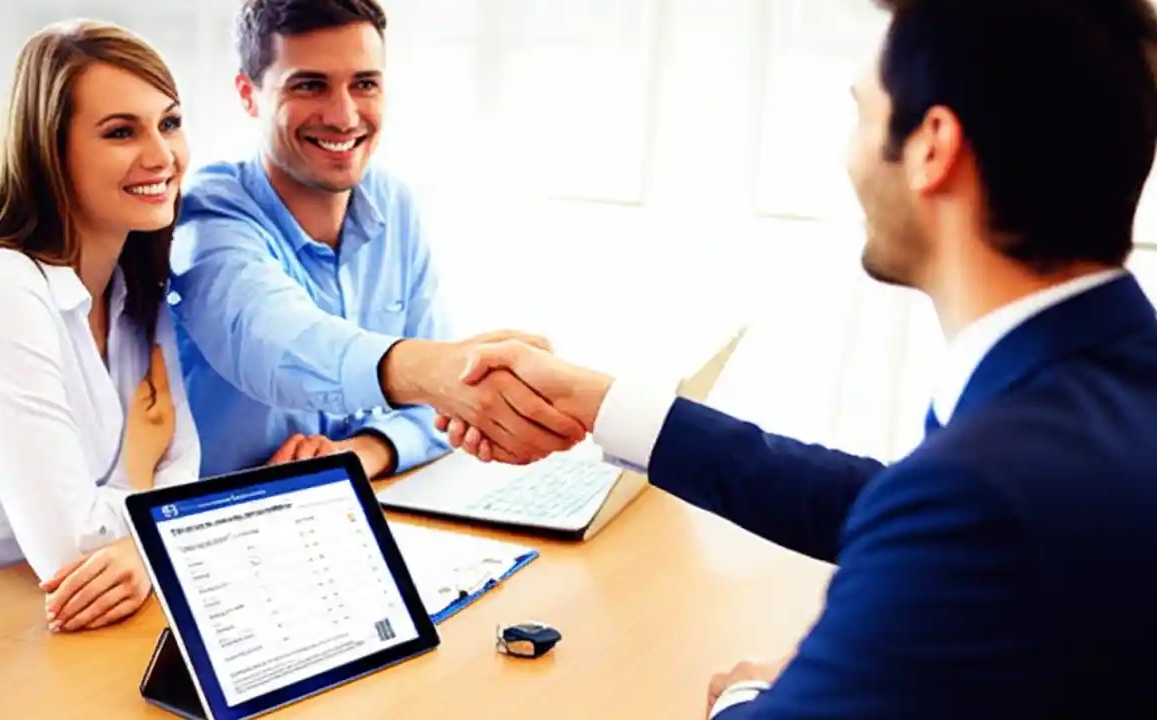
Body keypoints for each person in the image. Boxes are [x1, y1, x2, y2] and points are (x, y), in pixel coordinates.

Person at [437, 0, 1157, 716]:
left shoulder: (982, 490)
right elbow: (894, 504)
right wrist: (605, 405)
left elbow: (941, 514)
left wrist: (755, 690)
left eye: (862, 114)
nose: (850, 155)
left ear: (933, 148)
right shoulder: (1111, 379)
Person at [0, 20, 205, 632]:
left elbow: (182, 466)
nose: (161, 155)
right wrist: (155, 530)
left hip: (40, 613)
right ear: (49, 150)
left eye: (170, 122)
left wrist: (141, 545)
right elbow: (73, 545)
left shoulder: (139, 289)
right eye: (120, 132)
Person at [169, 0, 583, 480]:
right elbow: (278, 344)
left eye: (364, 84)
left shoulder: (394, 206)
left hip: (355, 508)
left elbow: (439, 408)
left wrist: (363, 452)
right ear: (249, 94)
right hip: (226, 526)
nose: (344, 117)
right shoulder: (208, 214)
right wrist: (438, 371)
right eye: (309, 85)